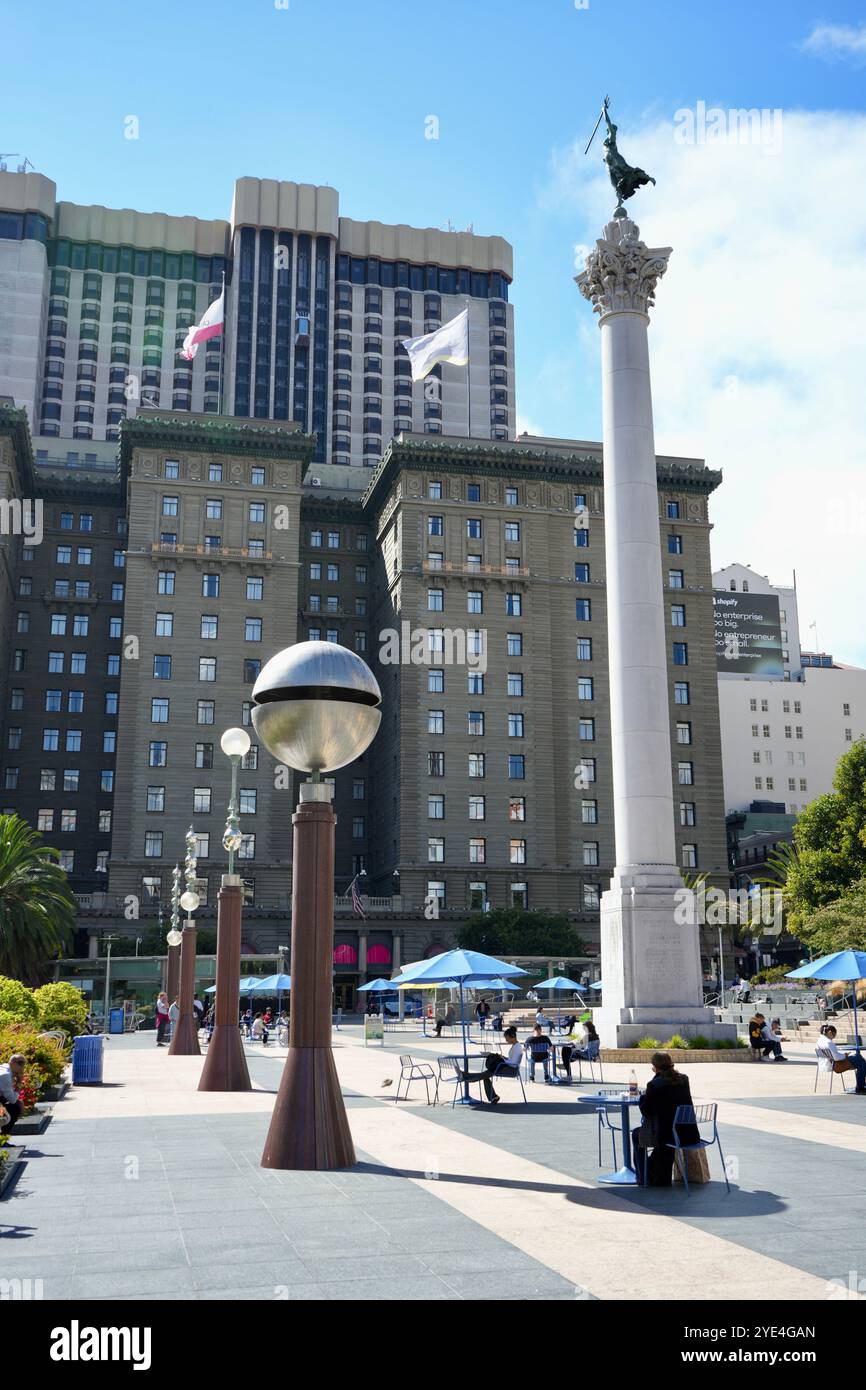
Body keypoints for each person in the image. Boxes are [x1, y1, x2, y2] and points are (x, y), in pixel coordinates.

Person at [632, 1052, 701, 1186]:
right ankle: (649, 1174)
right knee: (653, 1134)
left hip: (667, 1135)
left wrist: (642, 1099)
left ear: (655, 1067)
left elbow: (647, 1111)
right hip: (690, 1134)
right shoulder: (684, 1079)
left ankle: (643, 1176)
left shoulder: (654, 1084)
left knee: (636, 1134)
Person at [459, 1026, 523, 1104]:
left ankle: (466, 1076)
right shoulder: (516, 1046)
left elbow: (513, 1062)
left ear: (512, 1037)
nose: (506, 1040)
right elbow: (512, 1060)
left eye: (507, 1038)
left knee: (487, 1073)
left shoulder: (517, 1047)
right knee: (486, 1075)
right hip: (509, 1067)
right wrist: (503, 1058)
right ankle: (493, 1097)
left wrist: (503, 1059)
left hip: (511, 1070)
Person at [817, 1025, 866, 1092]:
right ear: (830, 1032)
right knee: (861, 1062)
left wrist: (843, 1055)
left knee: (859, 1058)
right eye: (834, 1035)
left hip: (827, 1064)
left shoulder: (819, 1041)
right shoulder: (829, 1042)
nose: (833, 1038)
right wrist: (845, 1055)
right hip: (837, 1065)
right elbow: (836, 1058)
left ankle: (861, 1085)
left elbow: (834, 1055)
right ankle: (860, 1086)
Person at [0, 1054, 25, 1132]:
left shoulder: (5, 1067)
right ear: (12, 1062)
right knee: (14, 1108)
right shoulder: (5, 1075)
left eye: (24, 1064)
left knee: (17, 1104)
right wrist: (19, 1082)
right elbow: (12, 1100)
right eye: (20, 1063)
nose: (22, 1067)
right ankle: (3, 1137)